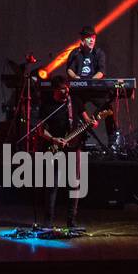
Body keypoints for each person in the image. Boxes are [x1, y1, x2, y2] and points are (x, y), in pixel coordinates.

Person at [38, 77, 87, 231]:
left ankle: (71, 221)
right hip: (54, 148)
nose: (66, 91)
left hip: (73, 147)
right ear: (54, 90)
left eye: (67, 88)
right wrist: (53, 139)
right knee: (52, 185)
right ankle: (48, 221)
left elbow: (88, 119)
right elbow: (40, 130)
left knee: (75, 184)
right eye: (61, 88)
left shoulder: (75, 102)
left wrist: (94, 121)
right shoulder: (47, 106)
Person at [66, 27, 117, 147]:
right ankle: (74, 141)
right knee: (73, 101)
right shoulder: (75, 53)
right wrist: (76, 78)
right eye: (89, 38)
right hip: (79, 90)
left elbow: (101, 72)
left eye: (93, 38)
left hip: (94, 89)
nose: (92, 41)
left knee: (108, 107)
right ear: (82, 39)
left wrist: (91, 81)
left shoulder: (99, 53)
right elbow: (69, 70)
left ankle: (113, 140)